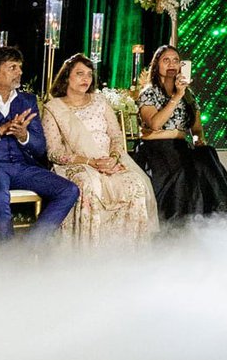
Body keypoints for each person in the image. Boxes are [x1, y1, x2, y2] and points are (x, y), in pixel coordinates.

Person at [0, 45, 79, 241]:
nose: (20, 72)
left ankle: (25, 249)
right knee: (0, 197)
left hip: (21, 167)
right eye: (12, 67)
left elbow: (40, 148)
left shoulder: (27, 101)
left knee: (69, 190)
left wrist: (23, 135)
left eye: (19, 67)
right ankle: (8, 255)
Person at [41, 54, 158, 243]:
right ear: (66, 77)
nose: (86, 79)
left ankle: (129, 252)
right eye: (80, 74)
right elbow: (54, 152)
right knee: (89, 185)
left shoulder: (100, 101)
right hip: (77, 164)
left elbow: (115, 136)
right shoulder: (54, 108)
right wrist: (90, 162)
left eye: (89, 74)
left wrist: (113, 157)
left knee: (135, 183)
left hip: (110, 161)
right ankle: (91, 251)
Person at [132, 45, 227, 223]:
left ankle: (224, 219)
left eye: (176, 60)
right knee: (186, 171)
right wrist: (176, 96)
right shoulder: (149, 93)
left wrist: (199, 140)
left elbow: (196, 129)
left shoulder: (188, 95)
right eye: (166, 60)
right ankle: (180, 225)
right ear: (156, 65)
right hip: (157, 150)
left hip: (180, 146)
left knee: (207, 157)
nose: (171, 64)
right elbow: (155, 124)